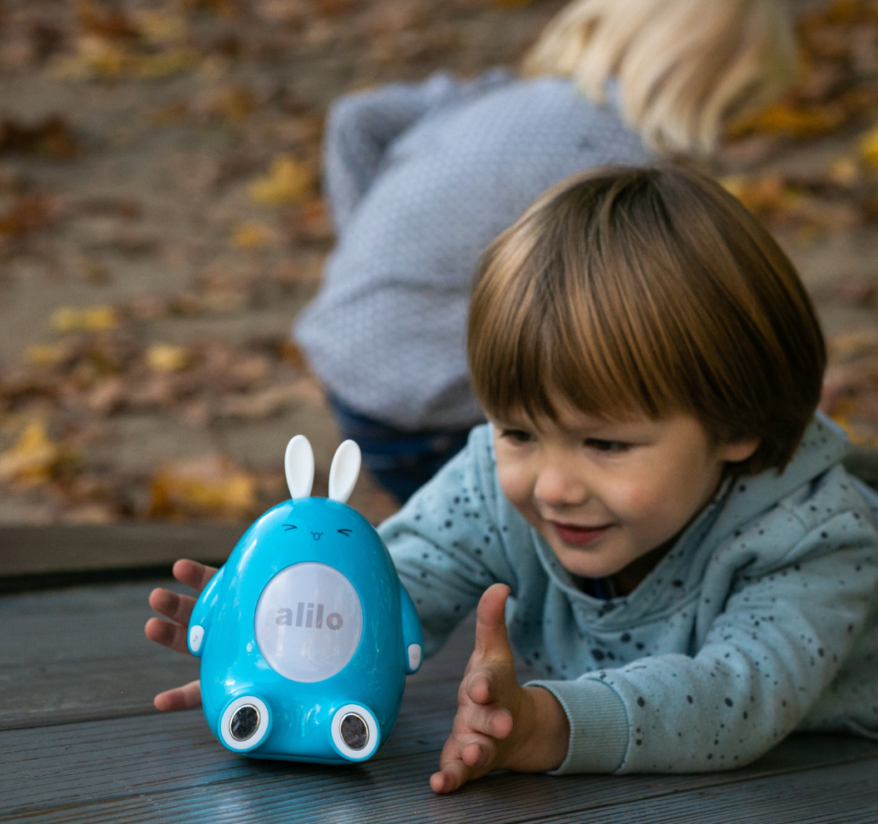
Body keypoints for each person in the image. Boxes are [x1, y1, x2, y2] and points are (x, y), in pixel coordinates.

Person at [147, 165, 878, 794]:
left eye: (605, 443)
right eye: (519, 432)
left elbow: (737, 698)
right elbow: (396, 583)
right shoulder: (492, 484)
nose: (552, 485)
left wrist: (549, 726)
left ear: (737, 423)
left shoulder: (813, 535)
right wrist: (283, 643)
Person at [291, 0, 798, 502]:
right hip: (428, 405)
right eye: (735, 108)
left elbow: (357, 119)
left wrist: (364, 251)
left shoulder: (500, 93)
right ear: (707, 85)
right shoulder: (619, 165)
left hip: (350, 363)